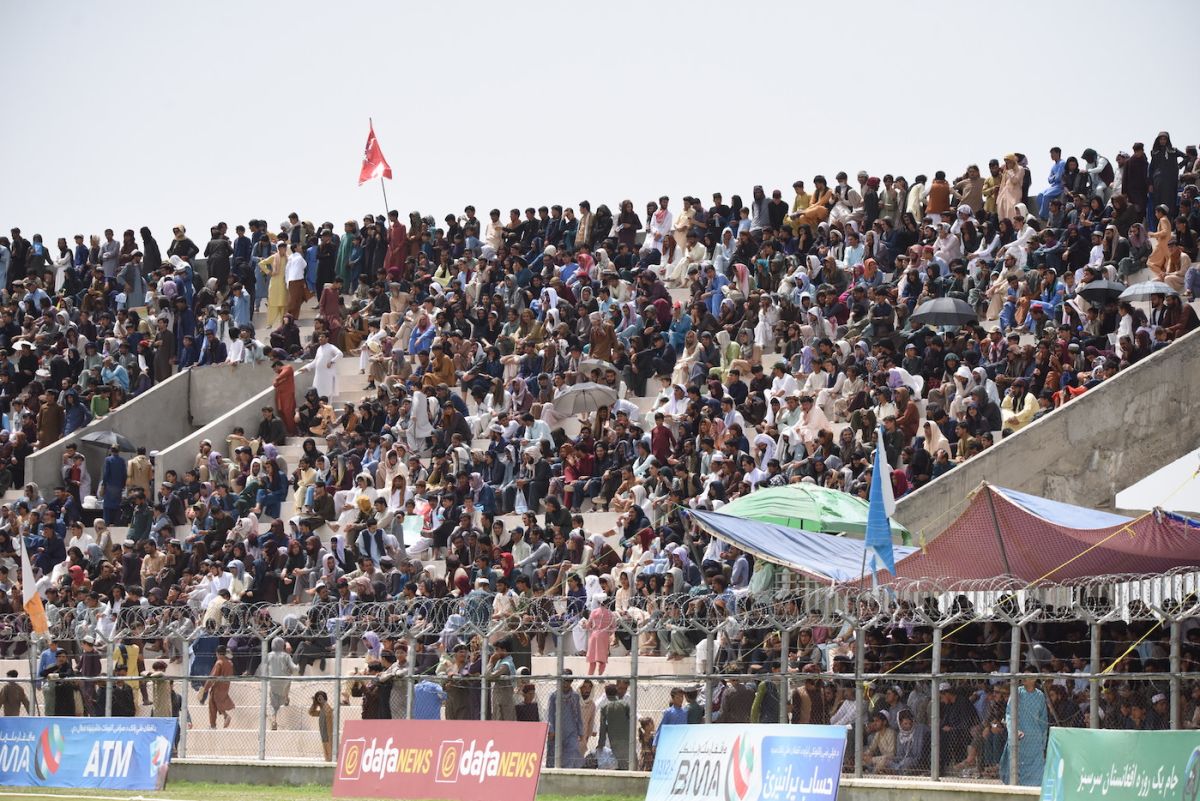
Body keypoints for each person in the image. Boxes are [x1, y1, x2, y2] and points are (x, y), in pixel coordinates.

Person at [1000, 675, 1048, 786]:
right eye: (1023, 676)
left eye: (1028, 676)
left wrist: (1042, 740)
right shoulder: (1017, 693)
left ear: (1035, 678)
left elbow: (1043, 719)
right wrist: (1014, 730)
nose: (1024, 678)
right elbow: (1009, 714)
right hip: (1019, 737)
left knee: (1036, 771)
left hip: (1034, 739)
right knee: (1016, 767)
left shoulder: (1040, 696)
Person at [597, 683, 631, 770]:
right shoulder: (625, 705)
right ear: (616, 693)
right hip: (626, 739)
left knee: (616, 764)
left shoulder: (605, 708)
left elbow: (603, 728)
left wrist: (601, 744)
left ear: (607, 695)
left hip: (613, 741)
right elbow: (631, 720)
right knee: (627, 764)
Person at [202, 645, 235, 728]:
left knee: (212, 704)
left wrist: (205, 688)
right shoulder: (229, 663)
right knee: (216, 703)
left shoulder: (219, 662)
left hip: (218, 687)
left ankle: (216, 722)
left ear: (217, 653)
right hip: (226, 686)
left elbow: (213, 676)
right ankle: (219, 720)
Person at [309, 331, 342, 399]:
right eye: (319, 337)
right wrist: (306, 367)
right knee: (317, 394)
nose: (320, 338)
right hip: (318, 376)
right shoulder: (319, 349)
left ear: (327, 339)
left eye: (322, 337)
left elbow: (340, 354)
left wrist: (331, 361)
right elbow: (315, 361)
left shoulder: (331, 347)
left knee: (327, 394)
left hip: (327, 376)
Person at [272, 361, 298, 437]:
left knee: (288, 412)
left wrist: (278, 380)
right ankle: (289, 431)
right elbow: (275, 384)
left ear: (277, 365)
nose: (275, 371)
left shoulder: (288, 367)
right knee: (282, 413)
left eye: (274, 369)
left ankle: (293, 431)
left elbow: (278, 379)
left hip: (287, 395)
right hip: (280, 396)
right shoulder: (281, 374)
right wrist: (278, 380)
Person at [310, 691, 334, 762]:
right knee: (327, 758)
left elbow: (329, 711)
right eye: (318, 699)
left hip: (329, 737)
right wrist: (314, 703)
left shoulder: (328, 710)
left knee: (330, 757)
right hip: (324, 737)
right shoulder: (321, 712)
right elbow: (311, 712)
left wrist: (324, 702)